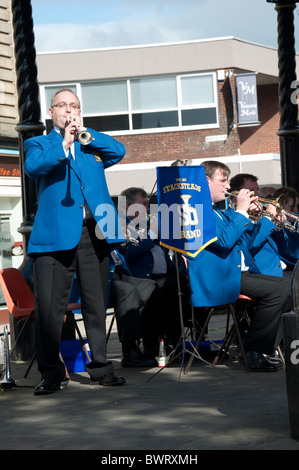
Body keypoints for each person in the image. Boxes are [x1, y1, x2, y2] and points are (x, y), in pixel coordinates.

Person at [24, 88, 126, 395]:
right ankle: (51, 374)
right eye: (63, 106)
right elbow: (33, 168)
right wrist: (64, 143)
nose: (69, 110)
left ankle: (101, 369)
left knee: (96, 304)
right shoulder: (39, 143)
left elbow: (118, 150)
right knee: (50, 309)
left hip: (95, 231)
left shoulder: (89, 143)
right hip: (54, 238)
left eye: (75, 106)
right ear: (51, 113)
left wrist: (85, 133)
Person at [187, 161, 293, 372]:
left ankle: (261, 346)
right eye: (223, 181)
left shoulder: (221, 212)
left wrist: (260, 218)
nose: (227, 187)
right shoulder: (197, 212)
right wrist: (241, 211)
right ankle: (253, 349)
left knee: (292, 289)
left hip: (238, 273)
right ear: (206, 181)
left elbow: (247, 242)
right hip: (221, 278)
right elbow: (224, 242)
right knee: (280, 290)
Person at [118, 187, 191, 356]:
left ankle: (175, 339)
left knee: (186, 286)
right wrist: (151, 233)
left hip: (166, 276)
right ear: (128, 206)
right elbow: (129, 254)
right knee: (165, 290)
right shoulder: (122, 226)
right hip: (141, 279)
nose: (147, 208)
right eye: (143, 204)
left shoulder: (149, 226)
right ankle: (154, 345)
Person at [108, 249, 158, 367]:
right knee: (127, 291)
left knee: (150, 287)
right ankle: (129, 350)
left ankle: (149, 344)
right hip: (104, 276)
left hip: (119, 272)